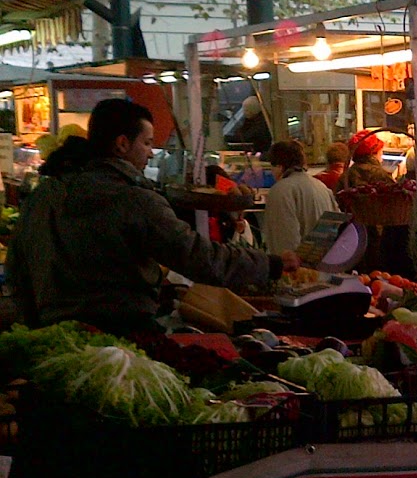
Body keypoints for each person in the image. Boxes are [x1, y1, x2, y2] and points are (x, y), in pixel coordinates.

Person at [6, 99, 298, 334]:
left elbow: (17, 268)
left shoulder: (46, 193)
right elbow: (197, 256)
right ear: (122, 144)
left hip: (54, 333)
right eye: (146, 143)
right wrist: (271, 263)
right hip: (122, 334)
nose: (149, 154)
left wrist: (37, 327)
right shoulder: (133, 198)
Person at [262, 139, 338, 254]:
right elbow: (336, 227)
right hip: (325, 263)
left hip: (298, 268)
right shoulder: (322, 187)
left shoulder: (280, 190)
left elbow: (285, 242)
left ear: (279, 166)